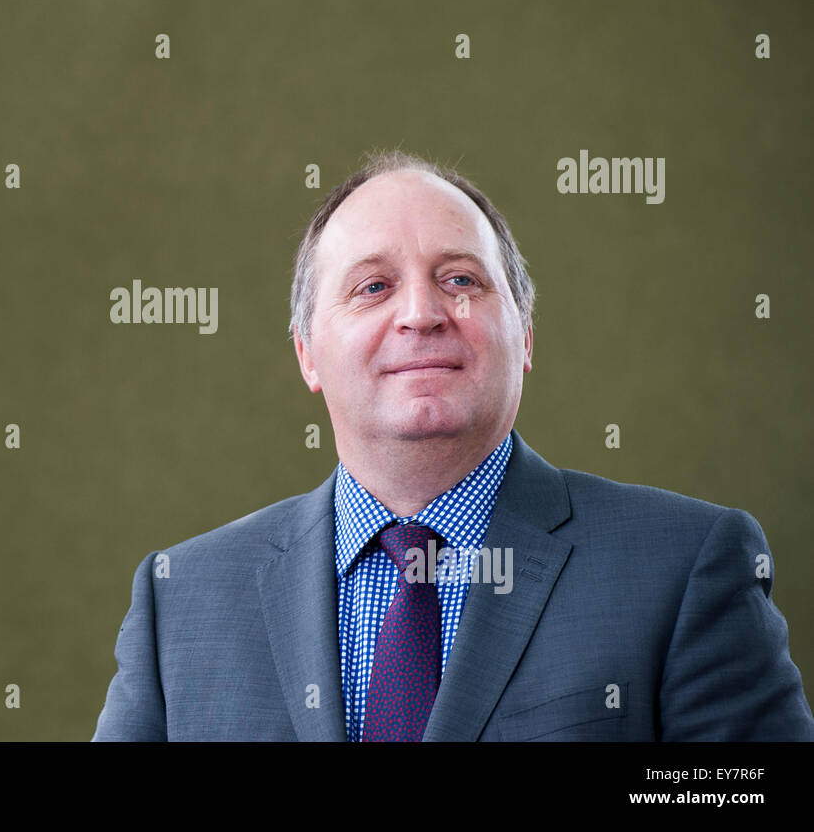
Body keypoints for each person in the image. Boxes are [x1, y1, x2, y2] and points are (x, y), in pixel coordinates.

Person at [91, 149, 814, 741]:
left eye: (460, 279)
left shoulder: (685, 565)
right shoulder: (179, 601)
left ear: (524, 335)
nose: (421, 313)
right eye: (373, 286)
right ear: (307, 352)